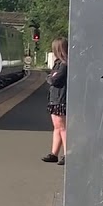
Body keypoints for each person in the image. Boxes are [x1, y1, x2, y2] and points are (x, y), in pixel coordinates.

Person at [42, 37, 67, 166]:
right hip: (55, 99)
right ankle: (54, 154)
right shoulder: (59, 63)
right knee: (57, 127)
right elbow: (51, 77)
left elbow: (54, 80)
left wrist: (50, 77)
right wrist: (50, 77)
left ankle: (67, 154)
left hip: (60, 100)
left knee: (62, 128)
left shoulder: (64, 65)